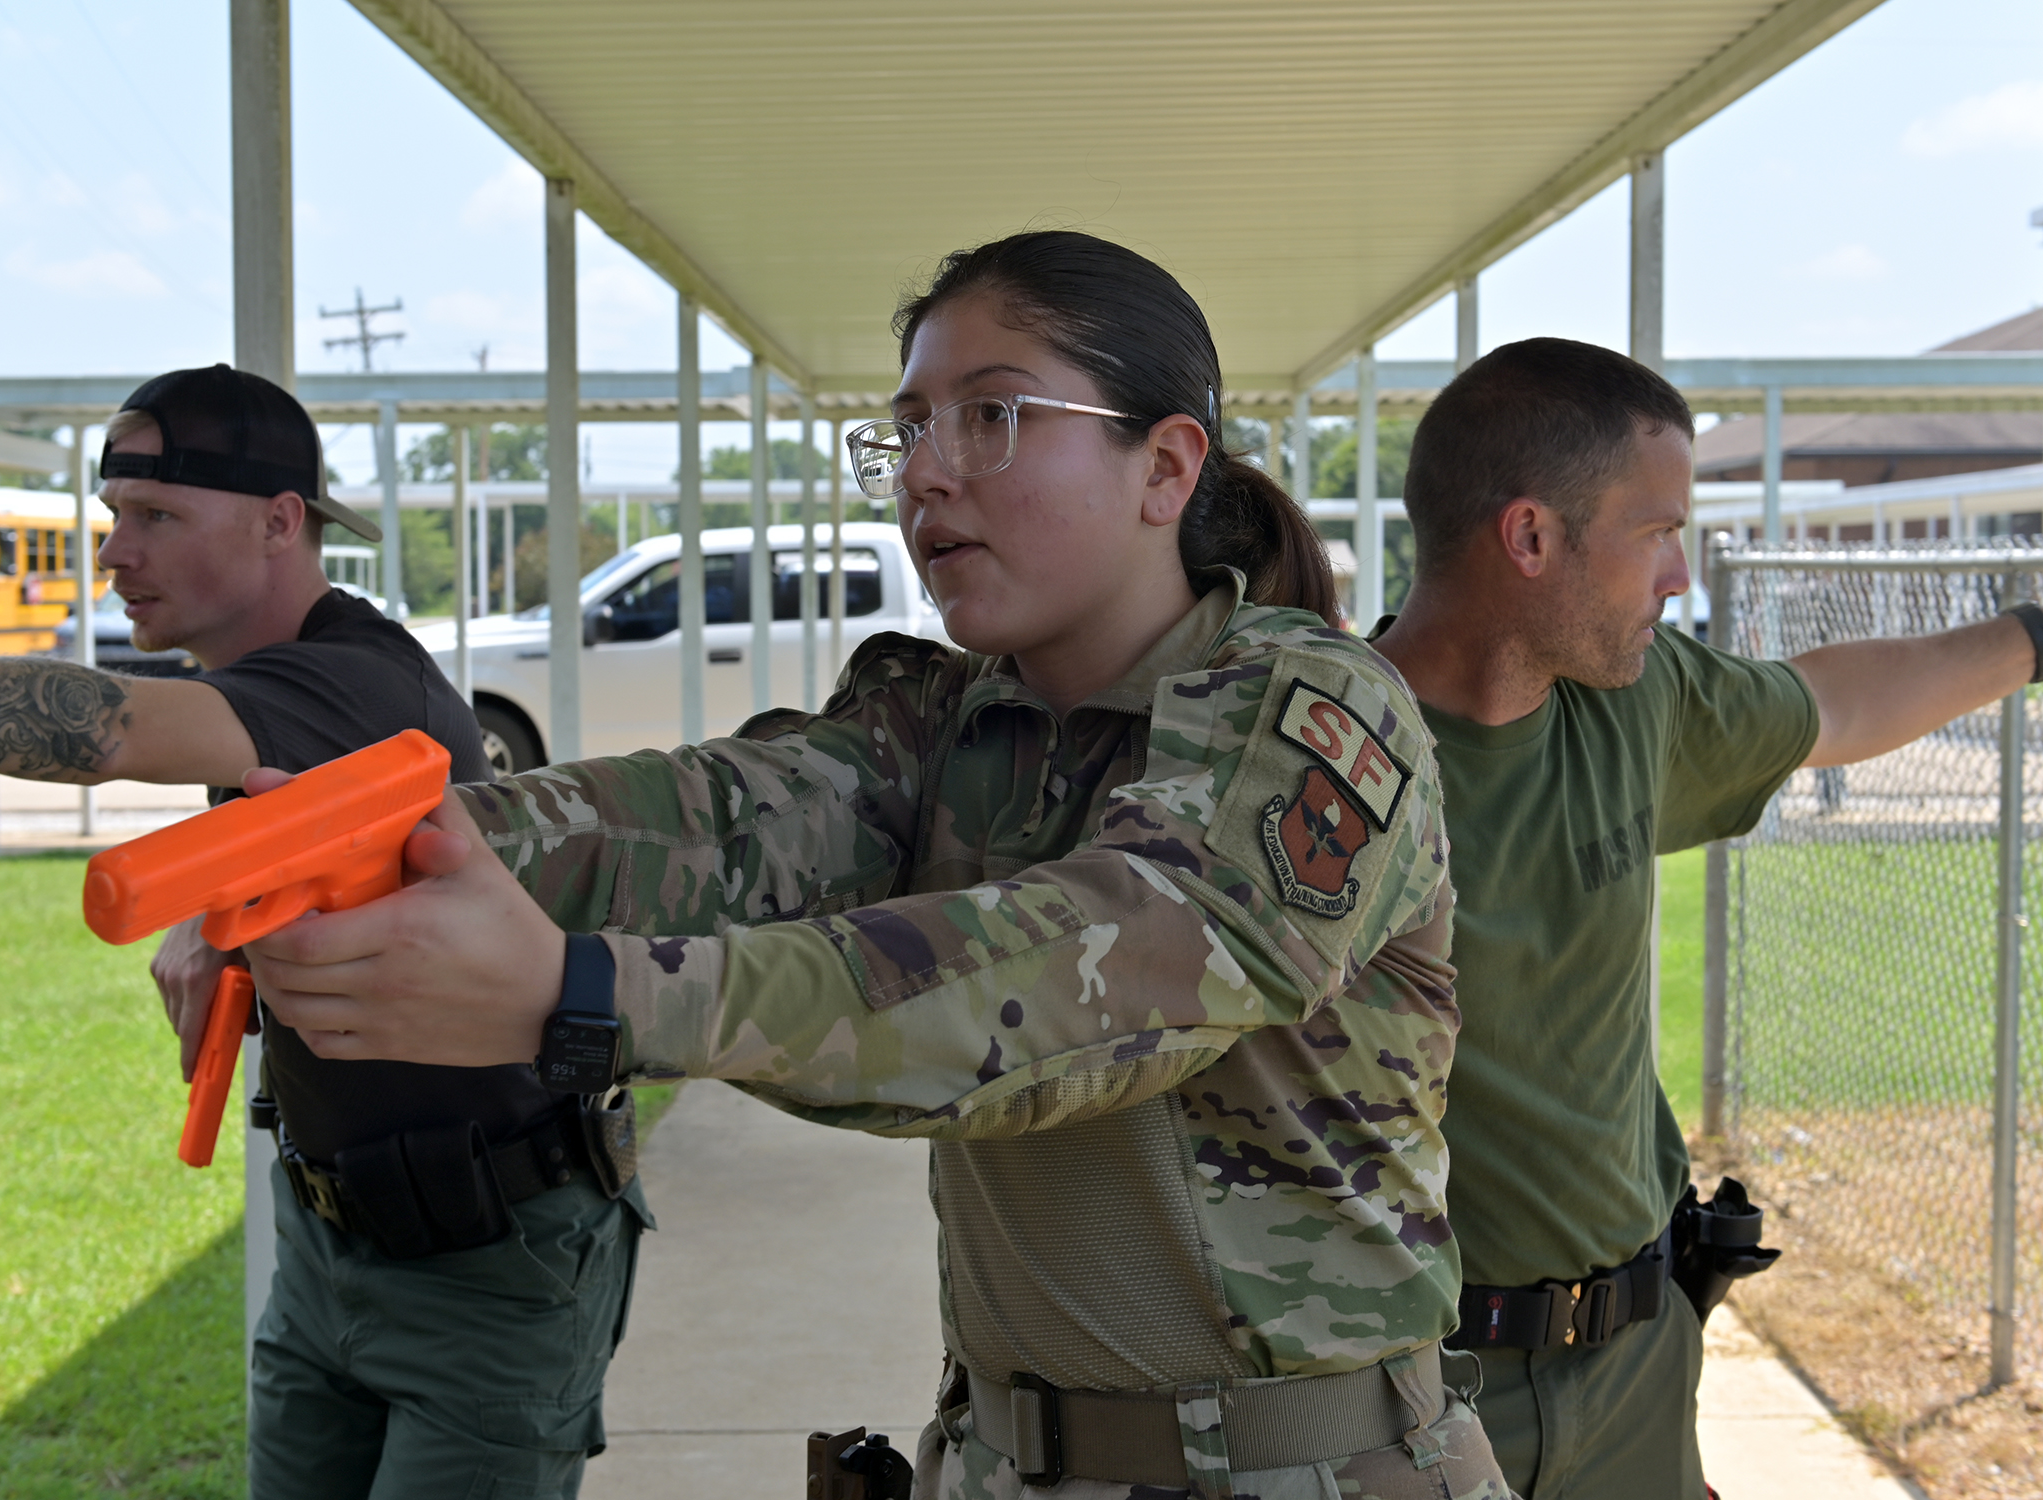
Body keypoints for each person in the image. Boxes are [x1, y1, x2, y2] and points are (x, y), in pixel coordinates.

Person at [248, 231, 1514, 1500]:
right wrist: (336, 854)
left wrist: (588, 996)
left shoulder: (1309, 713)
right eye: (910, 430)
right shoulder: (951, 721)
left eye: (994, 415)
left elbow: (1085, 972)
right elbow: (702, 819)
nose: (926, 475)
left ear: (1166, 465)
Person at [0, 364, 650, 1499]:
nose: (117, 552)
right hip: (330, 1244)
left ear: (282, 523)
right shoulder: (278, 692)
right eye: (118, 517)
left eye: (157, 517)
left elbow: (109, 730)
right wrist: (222, 928)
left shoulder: (360, 688)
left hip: (489, 1262)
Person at [1365, 337, 2039, 1500]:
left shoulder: (1635, 702)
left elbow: (1829, 701)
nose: (1679, 574)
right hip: (1409, 1395)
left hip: (1634, 1367)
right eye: (1658, 530)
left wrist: (2038, 635)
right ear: (1530, 538)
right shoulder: (1323, 758)